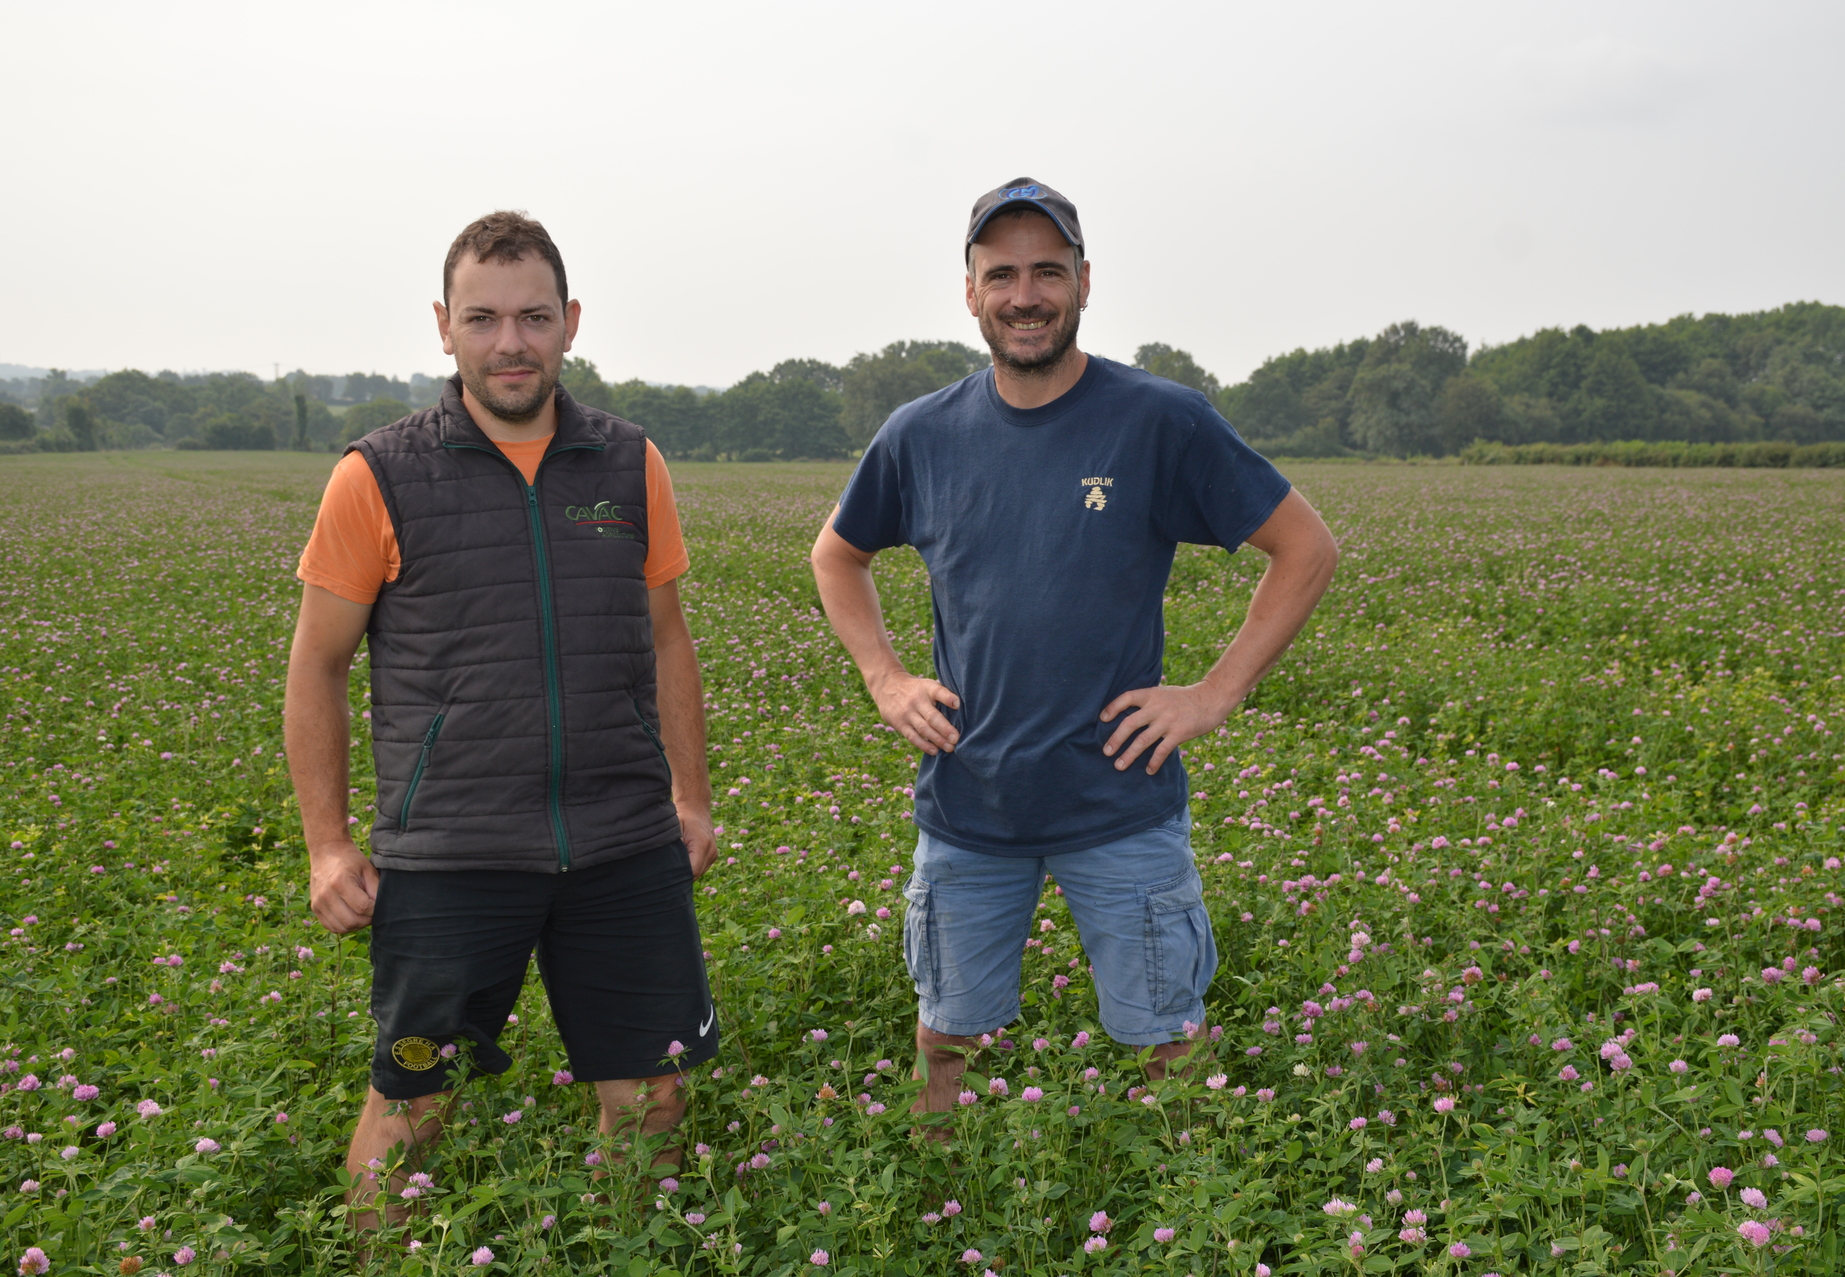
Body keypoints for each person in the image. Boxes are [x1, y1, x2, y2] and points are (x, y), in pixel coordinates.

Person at [809, 178, 1339, 1121]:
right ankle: (942, 1207)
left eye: (1047, 271)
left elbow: (1306, 548)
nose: (1025, 294)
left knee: (1168, 1036)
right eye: (1001, 273)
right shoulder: (922, 434)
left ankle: (1188, 1211)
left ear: (1085, 282)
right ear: (969, 291)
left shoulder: (1158, 419)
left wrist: (1211, 694)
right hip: (969, 800)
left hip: (1120, 802)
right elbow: (837, 555)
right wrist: (884, 676)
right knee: (945, 1034)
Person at [283, 211, 718, 1225]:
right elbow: (318, 662)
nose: (509, 341)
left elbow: (666, 639)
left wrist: (689, 798)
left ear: (570, 321)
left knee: (651, 1091)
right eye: (482, 317)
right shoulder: (378, 473)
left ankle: (624, 1249)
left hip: (621, 844)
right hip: (450, 853)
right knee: (413, 1101)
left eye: (532, 316)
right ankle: (371, 1254)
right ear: (445, 327)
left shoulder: (629, 462)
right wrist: (326, 842)